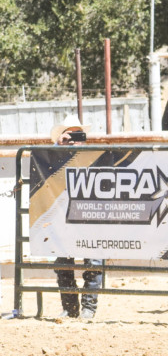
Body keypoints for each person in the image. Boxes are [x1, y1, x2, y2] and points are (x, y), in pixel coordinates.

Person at [50, 115, 104, 321]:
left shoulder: (93, 156)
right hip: (63, 216)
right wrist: (59, 146)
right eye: (69, 135)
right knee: (63, 262)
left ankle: (88, 308)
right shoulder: (53, 156)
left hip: (89, 215)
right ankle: (70, 307)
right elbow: (45, 163)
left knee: (93, 262)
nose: (73, 140)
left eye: (78, 135)